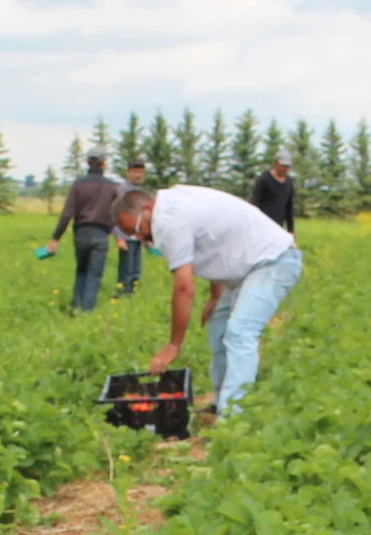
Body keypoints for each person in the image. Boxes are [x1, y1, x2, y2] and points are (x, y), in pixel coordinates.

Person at [118, 183, 303, 416]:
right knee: (218, 323)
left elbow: (184, 288)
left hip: (273, 260)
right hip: (248, 266)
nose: (141, 237)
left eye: (139, 229)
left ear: (147, 208)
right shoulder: (173, 204)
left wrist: (173, 345)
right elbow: (214, 246)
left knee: (240, 331)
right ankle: (220, 401)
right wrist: (215, 296)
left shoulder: (168, 220)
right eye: (134, 235)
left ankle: (233, 416)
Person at [48, 144, 124, 313]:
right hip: (101, 233)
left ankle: (75, 307)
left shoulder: (78, 185)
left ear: (88, 163)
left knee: (81, 271)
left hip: (81, 233)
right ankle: (87, 312)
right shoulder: (112, 186)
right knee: (94, 276)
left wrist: (55, 238)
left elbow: (67, 214)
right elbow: (116, 215)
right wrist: (119, 237)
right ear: (103, 163)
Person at [112, 158, 150, 297]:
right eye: (135, 172)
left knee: (135, 271)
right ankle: (121, 297)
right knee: (126, 271)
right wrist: (119, 237)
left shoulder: (140, 191)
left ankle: (131, 298)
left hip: (137, 235)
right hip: (126, 235)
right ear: (128, 172)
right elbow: (115, 213)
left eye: (141, 172)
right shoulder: (122, 190)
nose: (138, 175)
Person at [251, 151, 296, 236]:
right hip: (263, 226)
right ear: (275, 163)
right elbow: (255, 203)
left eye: (287, 166)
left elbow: (289, 207)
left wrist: (291, 230)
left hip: (279, 227)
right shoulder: (264, 179)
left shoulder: (288, 182)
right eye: (282, 165)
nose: (284, 168)